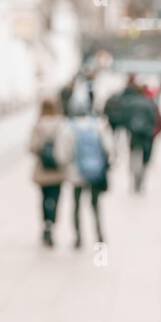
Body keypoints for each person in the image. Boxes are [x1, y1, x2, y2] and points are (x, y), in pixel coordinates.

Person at [64, 98, 113, 248]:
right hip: (95, 172)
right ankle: (99, 236)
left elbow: (64, 154)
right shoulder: (98, 125)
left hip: (77, 173)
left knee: (77, 205)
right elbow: (109, 148)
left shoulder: (69, 128)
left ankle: (78, 237)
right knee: (95, 205)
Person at [29, 98, 69, 247]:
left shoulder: (38, 125)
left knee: (44, 198)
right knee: (55, 198)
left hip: (43, 170)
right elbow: (68, 147)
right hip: (58, 170)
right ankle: (52, 223)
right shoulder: (62, 125)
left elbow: (32, 147)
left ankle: (45, 224)